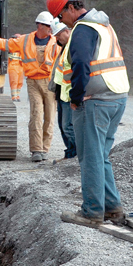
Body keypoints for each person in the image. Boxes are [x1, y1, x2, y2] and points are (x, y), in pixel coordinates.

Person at [46, 0, 129, 228]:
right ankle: (112, 208)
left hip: (95, 100)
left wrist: (75, 97)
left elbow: (81, 64)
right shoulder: (103, 24)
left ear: (71, 8)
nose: (62, 22)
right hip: (117, 95)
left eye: (61, 16)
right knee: (101, 156)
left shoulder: (83, 29)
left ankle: (92, 210)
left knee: (90, 157)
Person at [0, 12, 58, 162]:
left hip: (50, 83)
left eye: (50, 26)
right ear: (39, 25)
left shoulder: (56, 42)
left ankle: (45, 149)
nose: (50, 29)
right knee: (36, 115)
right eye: (47, 26)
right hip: (33, 82)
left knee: (50, 117)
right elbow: (6, 44)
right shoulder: (25, 40)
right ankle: (36, 150)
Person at [49, 20, 76, 161]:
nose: (57, 39)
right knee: (63, 126)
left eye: (58, 35)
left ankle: (74, 156)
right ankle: (70, 154)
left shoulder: (72, 46)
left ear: (67, 31)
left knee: (68, 127)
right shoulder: (65, 47)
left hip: (69, 94)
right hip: (62, 93)